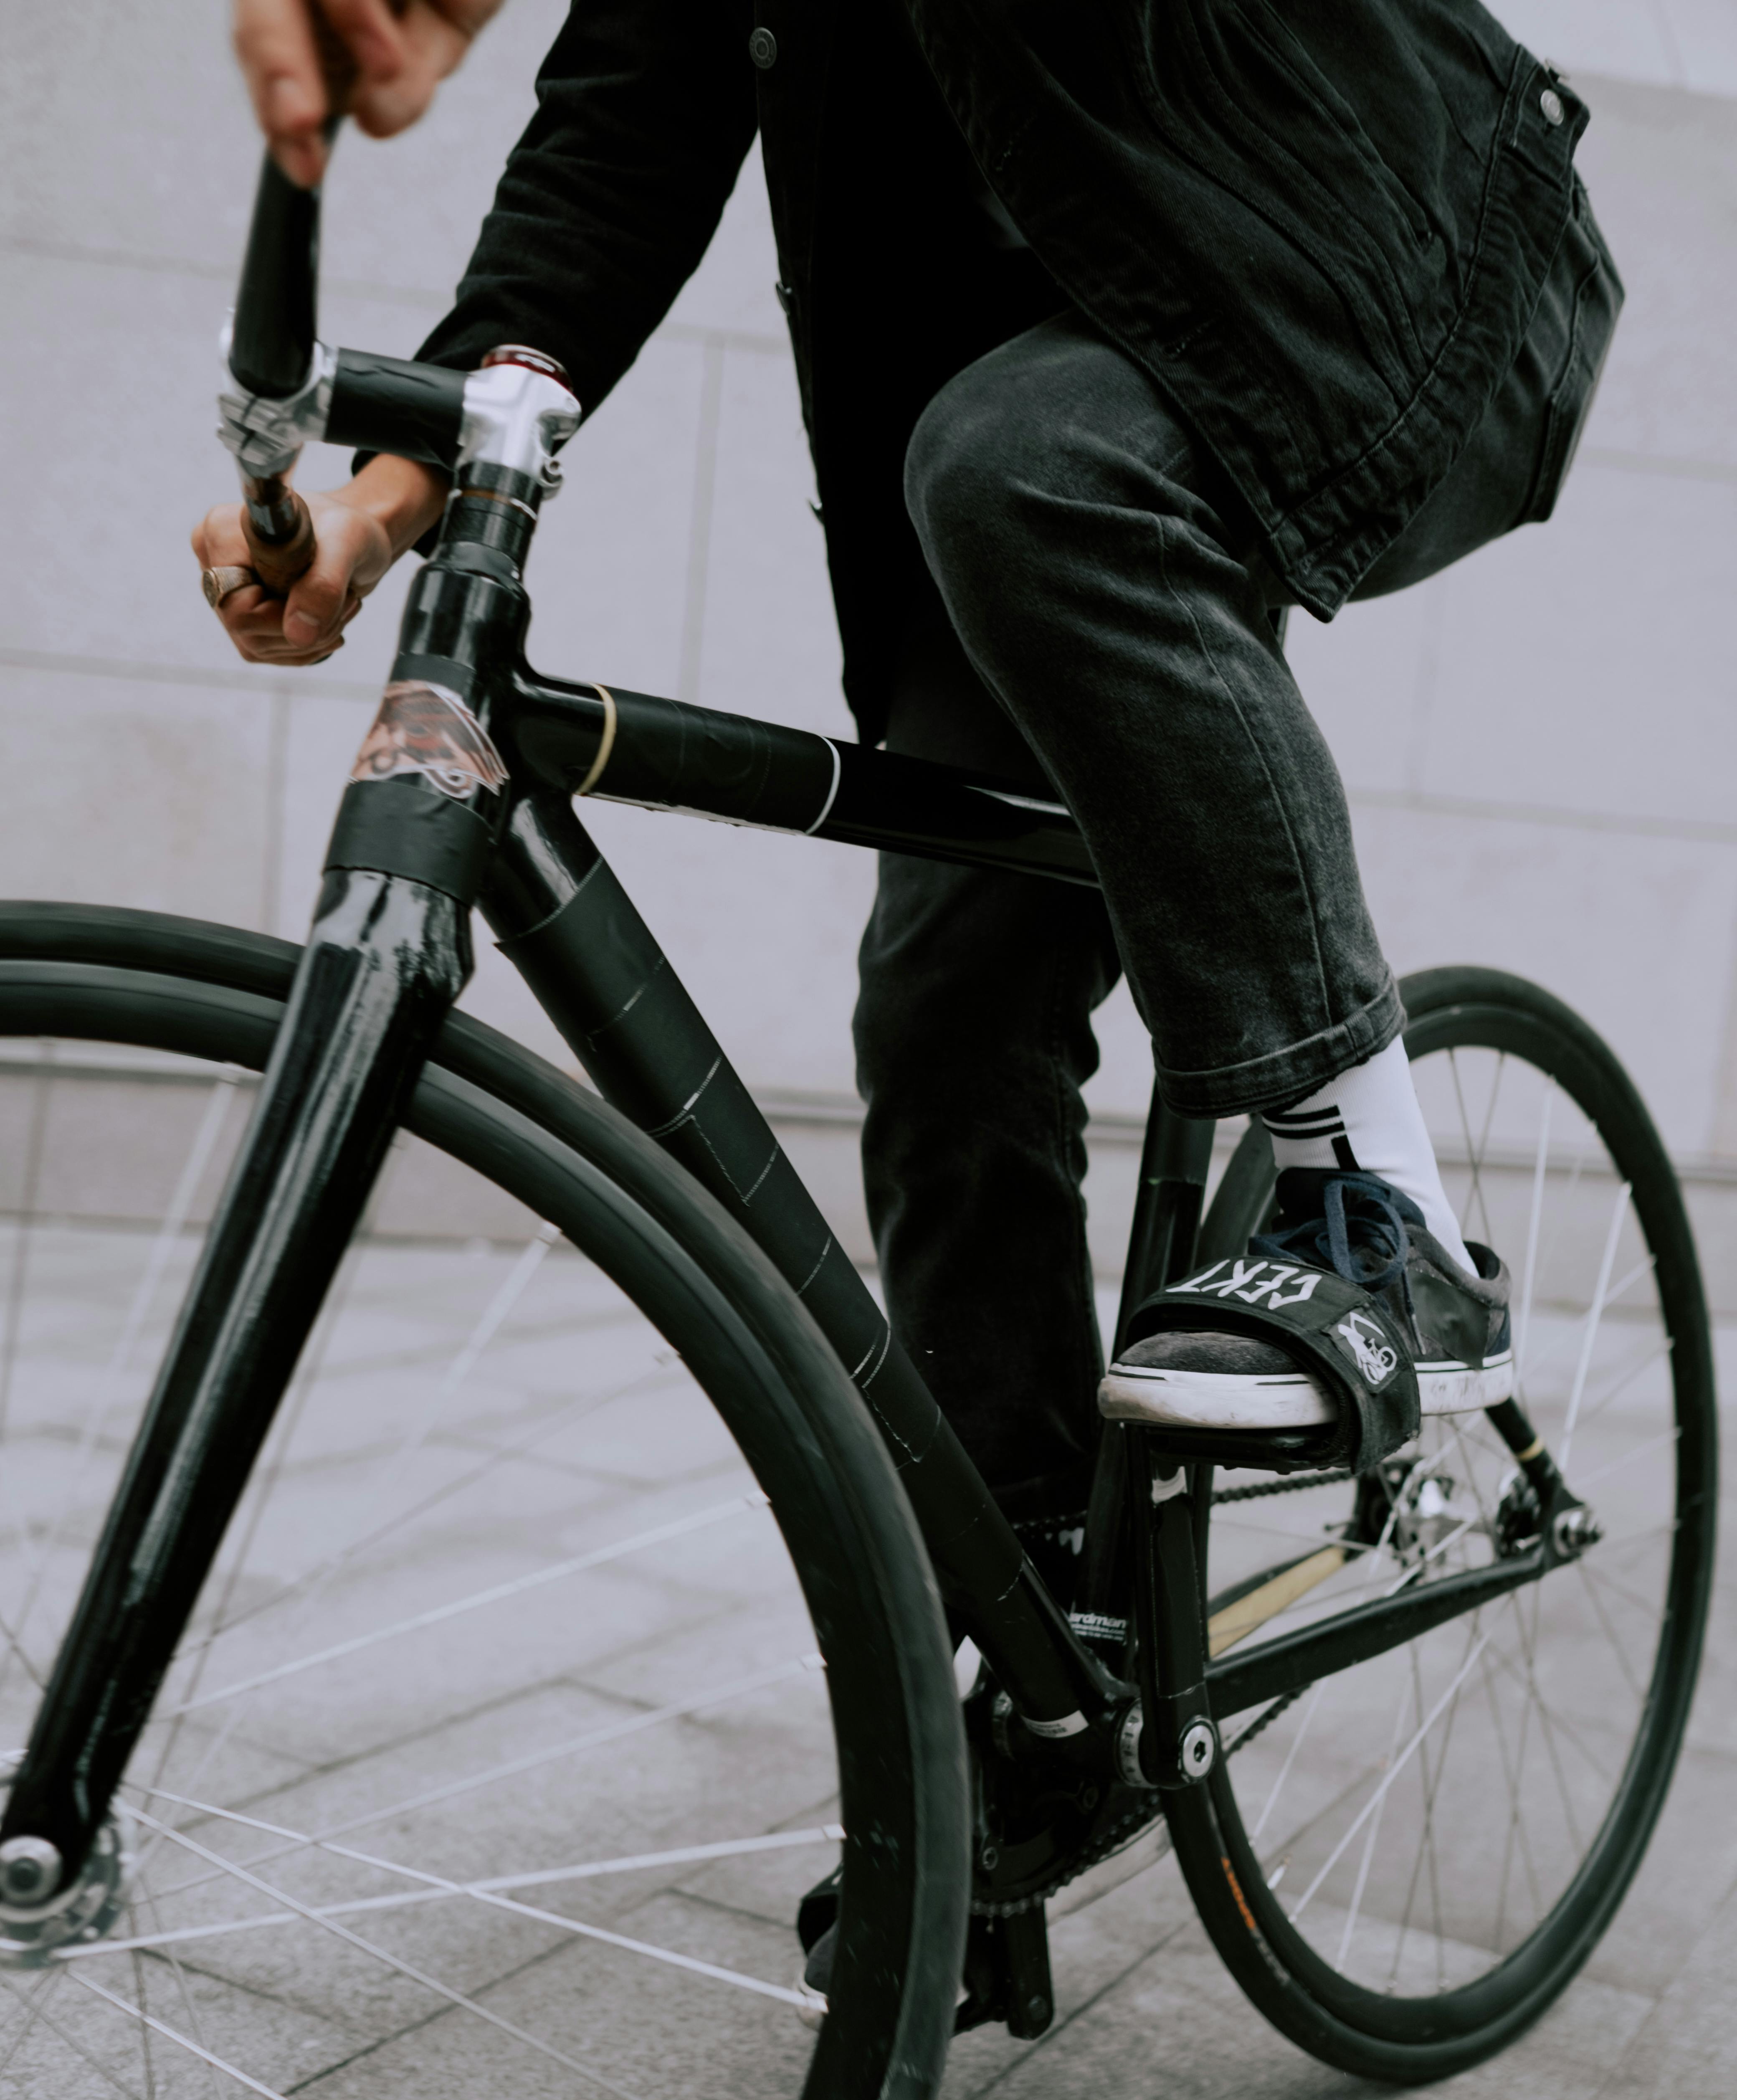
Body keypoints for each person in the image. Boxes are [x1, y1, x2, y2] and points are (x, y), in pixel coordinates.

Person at [198, 0, 1621, 1599]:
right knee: (949, 997)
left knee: (1030, 468)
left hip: (1385, 255)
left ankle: (1374, 1210)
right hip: (1022, 446)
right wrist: (379, 509)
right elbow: (618, 151)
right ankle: (1037, 1634)